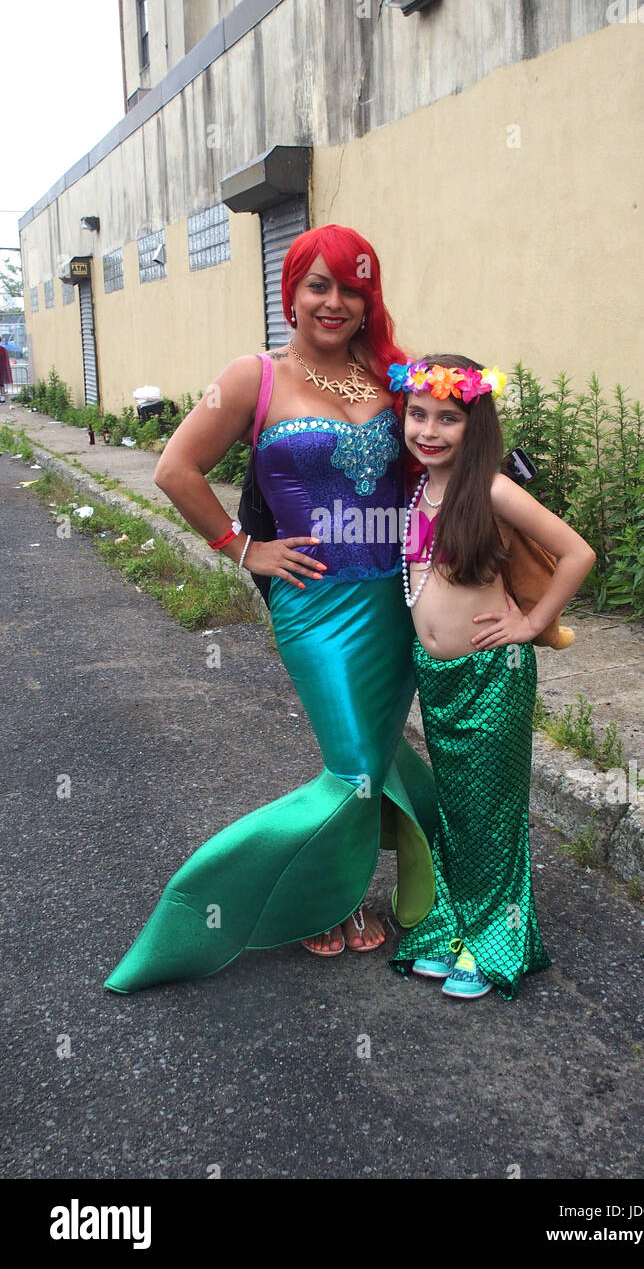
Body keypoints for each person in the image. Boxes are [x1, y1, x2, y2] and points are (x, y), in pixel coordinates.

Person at [103, 225, 438, 994]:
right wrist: (242, 546)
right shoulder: (253, 375)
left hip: (397, 600)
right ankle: (226, 908)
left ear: (367, 298)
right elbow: (174, 468)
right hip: (315, 605)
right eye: (317, 285)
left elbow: (447, 457)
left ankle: (349, 893)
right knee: (351, 767)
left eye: (351, 287)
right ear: (289, 293)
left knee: (375, 753)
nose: (334, 301)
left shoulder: (390, 372)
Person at [386, 353, 596, 1000]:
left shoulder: (492, 490)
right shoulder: (419, 488)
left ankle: (495, 941)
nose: (428, 430)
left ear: (473, 425)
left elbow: (576, 553)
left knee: (491, 815)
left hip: (491, 675)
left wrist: (532, 625)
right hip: (438, 678)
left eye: (447, 418)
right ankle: (454, 928)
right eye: (417, 415)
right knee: (456, 810)